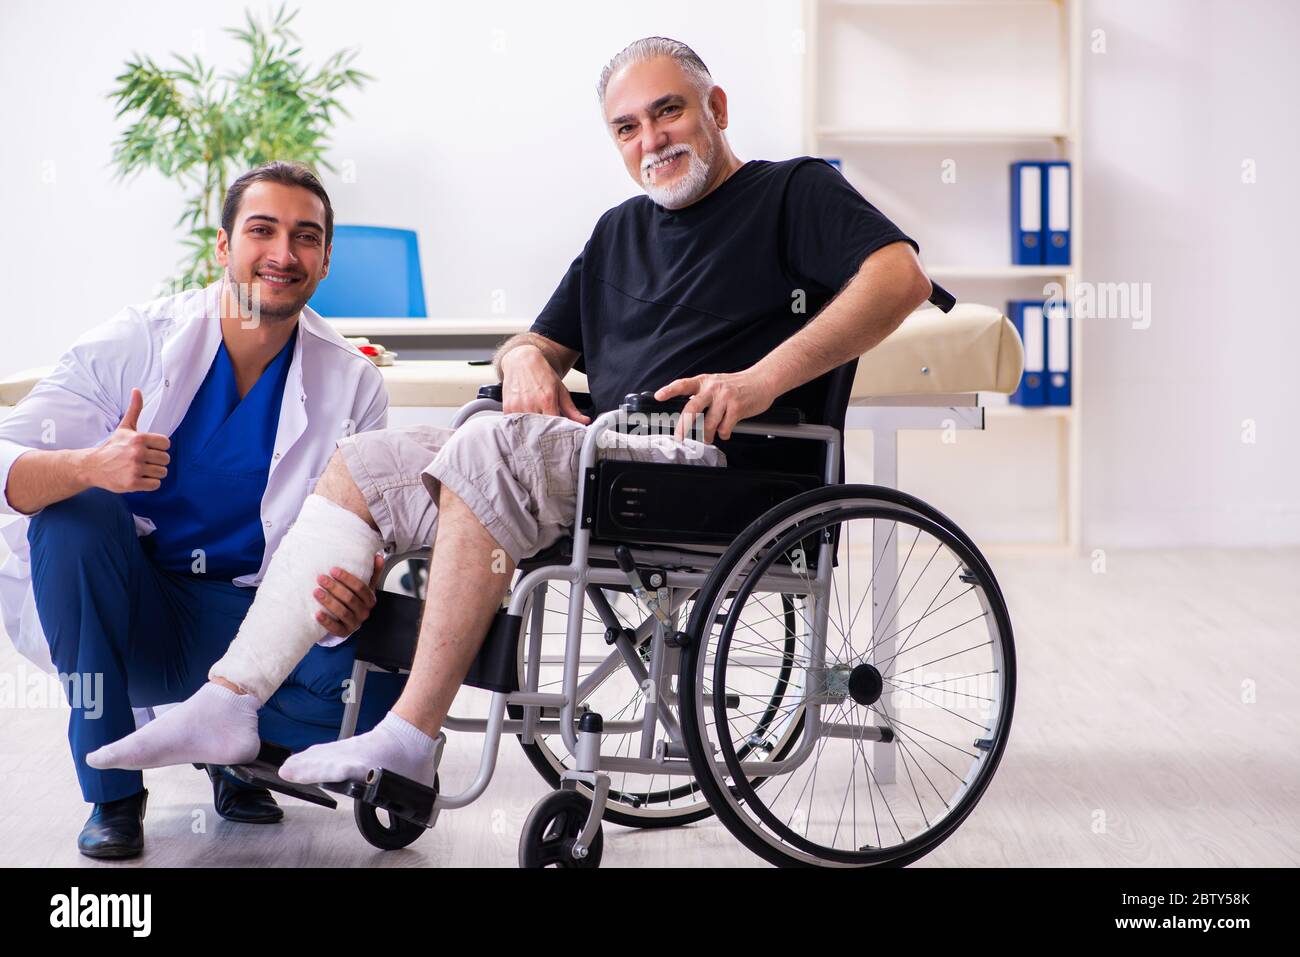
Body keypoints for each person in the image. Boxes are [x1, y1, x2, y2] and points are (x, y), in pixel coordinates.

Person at [87, 37, 932, 800]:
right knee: (366, 462)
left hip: (719, 465)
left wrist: (754, 381)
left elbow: (900, 280)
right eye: (627, 127)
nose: (651, 140)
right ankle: (229, 702)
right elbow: (537, 340)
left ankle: (409, 736)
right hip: (605, 466)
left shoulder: (794, 191)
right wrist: (525, 355)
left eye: (667, 111)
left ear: (714, 109)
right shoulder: (618, 232)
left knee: (489, 442)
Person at [0, 162, 403, 858]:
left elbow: (364, 532)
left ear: (326, 259)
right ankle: (113, 794)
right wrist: (90, 465)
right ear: (223, 246)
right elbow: (9, 458)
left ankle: (232, 751)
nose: (283, 253)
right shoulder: (139, 341)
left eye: (305, 237)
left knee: (379, 703)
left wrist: (356, 588)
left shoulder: (353, 382)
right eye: (262, 230)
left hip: (261, 621)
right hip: (144, 617)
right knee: (73, 515)